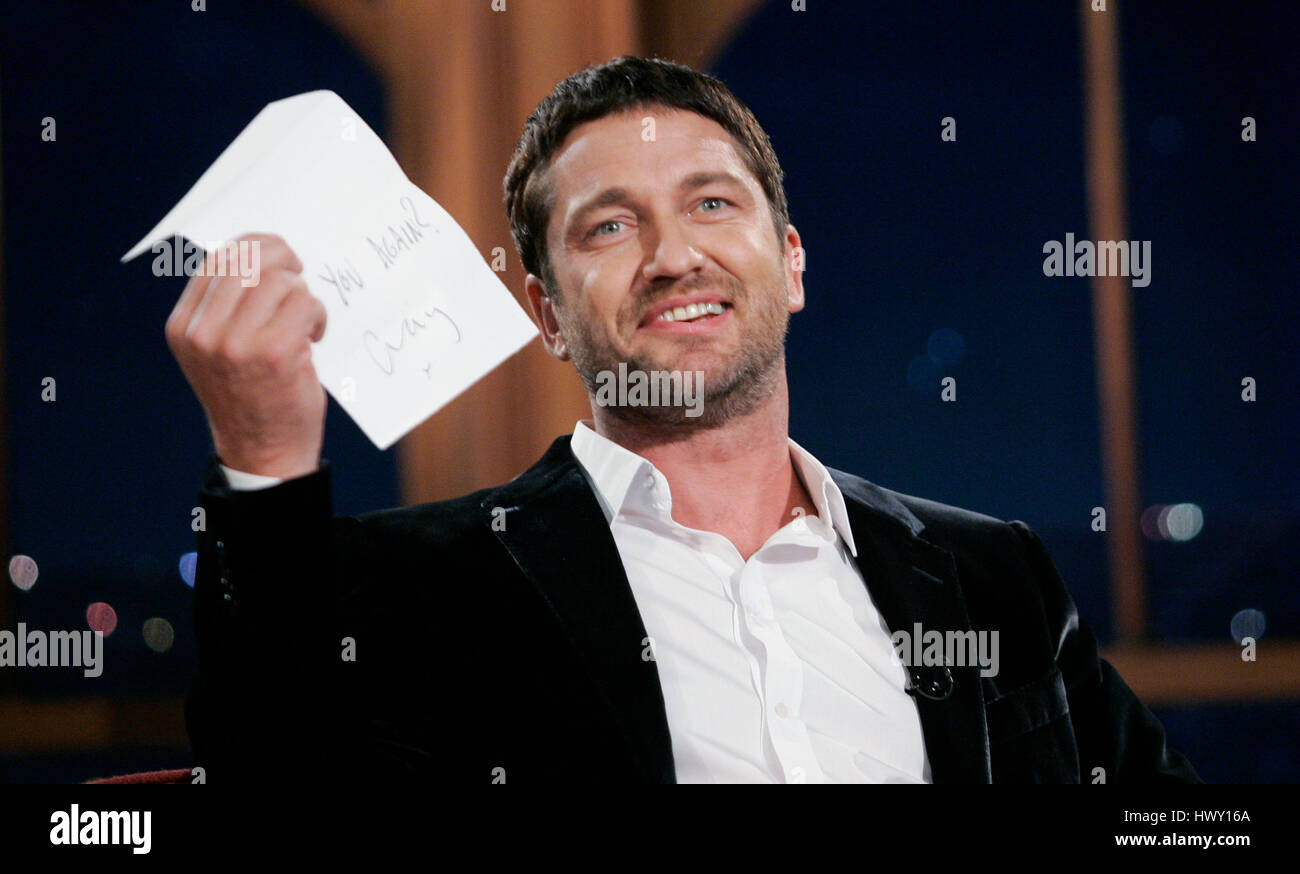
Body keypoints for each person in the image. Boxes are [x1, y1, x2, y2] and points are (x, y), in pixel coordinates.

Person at [165, 55, 1199, 783]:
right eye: (609, 225)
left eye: (712, 204)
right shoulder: (419, 587)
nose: (672, 255)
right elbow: (268, 767)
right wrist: (265, 455)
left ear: (789, 263)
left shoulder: (994, 574)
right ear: (548, 315)